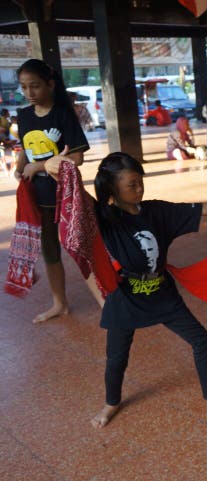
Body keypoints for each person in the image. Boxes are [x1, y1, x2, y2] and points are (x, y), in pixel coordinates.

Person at [43, 151, 207, 428]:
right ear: (112, 188)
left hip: (162, 293)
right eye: (131, 184)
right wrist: (52, 167)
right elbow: (73, 191)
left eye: (140, 181)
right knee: (117, 358)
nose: (139, 188)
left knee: (201, 339)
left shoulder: (156, 212)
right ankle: (111, 403)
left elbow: (197, 209)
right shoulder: (102, 216)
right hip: (125, 297)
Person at [13, 58, 103, 322]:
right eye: (24, 87)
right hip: (38, 196)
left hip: (66, 195)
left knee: (82, 246)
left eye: (35, 86)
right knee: (49, 251)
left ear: (50, 84)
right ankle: (59, 303)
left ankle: (106, 299)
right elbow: (25, 149)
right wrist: (20, 168)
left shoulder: (63, 114)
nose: (29, 92)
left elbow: (76, 158)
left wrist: (39, 166)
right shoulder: (24, 115)